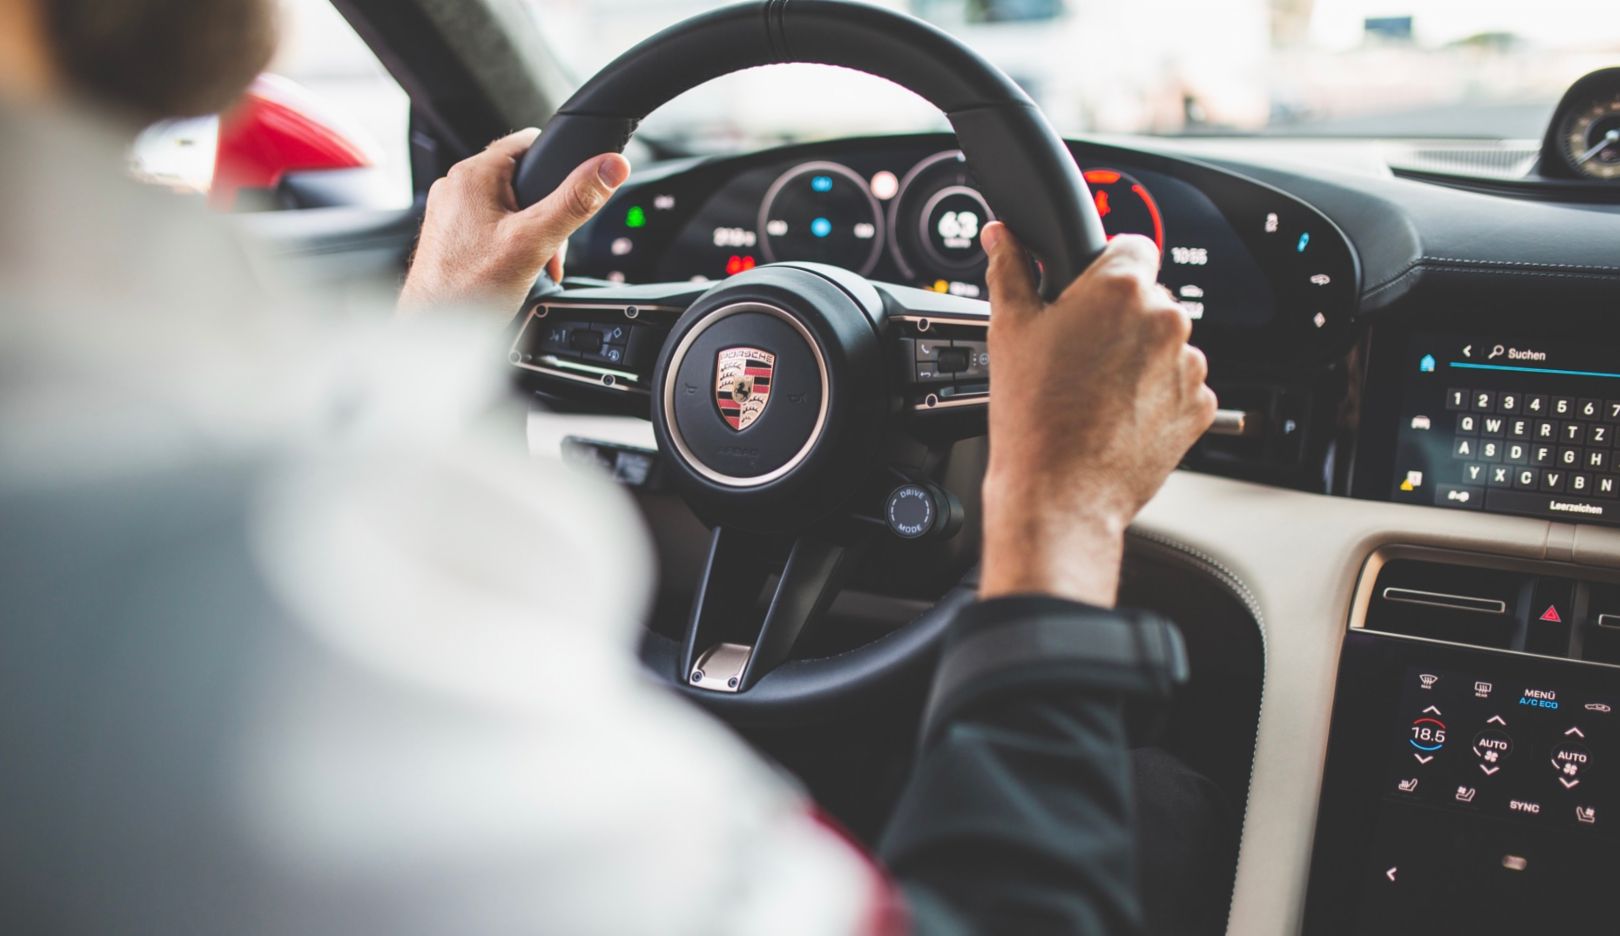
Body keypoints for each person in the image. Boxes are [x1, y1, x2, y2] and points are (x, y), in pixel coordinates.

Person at [0, 1, 1221, 933]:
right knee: (1165, 809)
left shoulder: (131, 451)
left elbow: (344, 529)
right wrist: (1059, 501)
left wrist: (444, 326)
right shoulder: (245, 594)